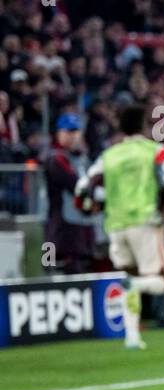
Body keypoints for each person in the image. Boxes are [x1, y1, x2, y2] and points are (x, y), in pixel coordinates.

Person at [76, 104, 164, 349]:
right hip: (144, 222)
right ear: (144, 126)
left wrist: (91, 204)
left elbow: (83, 187)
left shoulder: (108, 155)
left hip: (115, 226)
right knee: (161, 281)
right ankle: (137, 291)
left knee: (128, 278)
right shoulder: (154, 151)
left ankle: (132, 337)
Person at [41, 113, 97, 274]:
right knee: (51, 264)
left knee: (79, 264)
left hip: (75, 225)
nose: (73, 136)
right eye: (68, 131)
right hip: (56, 223)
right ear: (59, 133)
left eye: (76, 131)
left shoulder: (81, 158)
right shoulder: (55, 158)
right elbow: (76, 185)